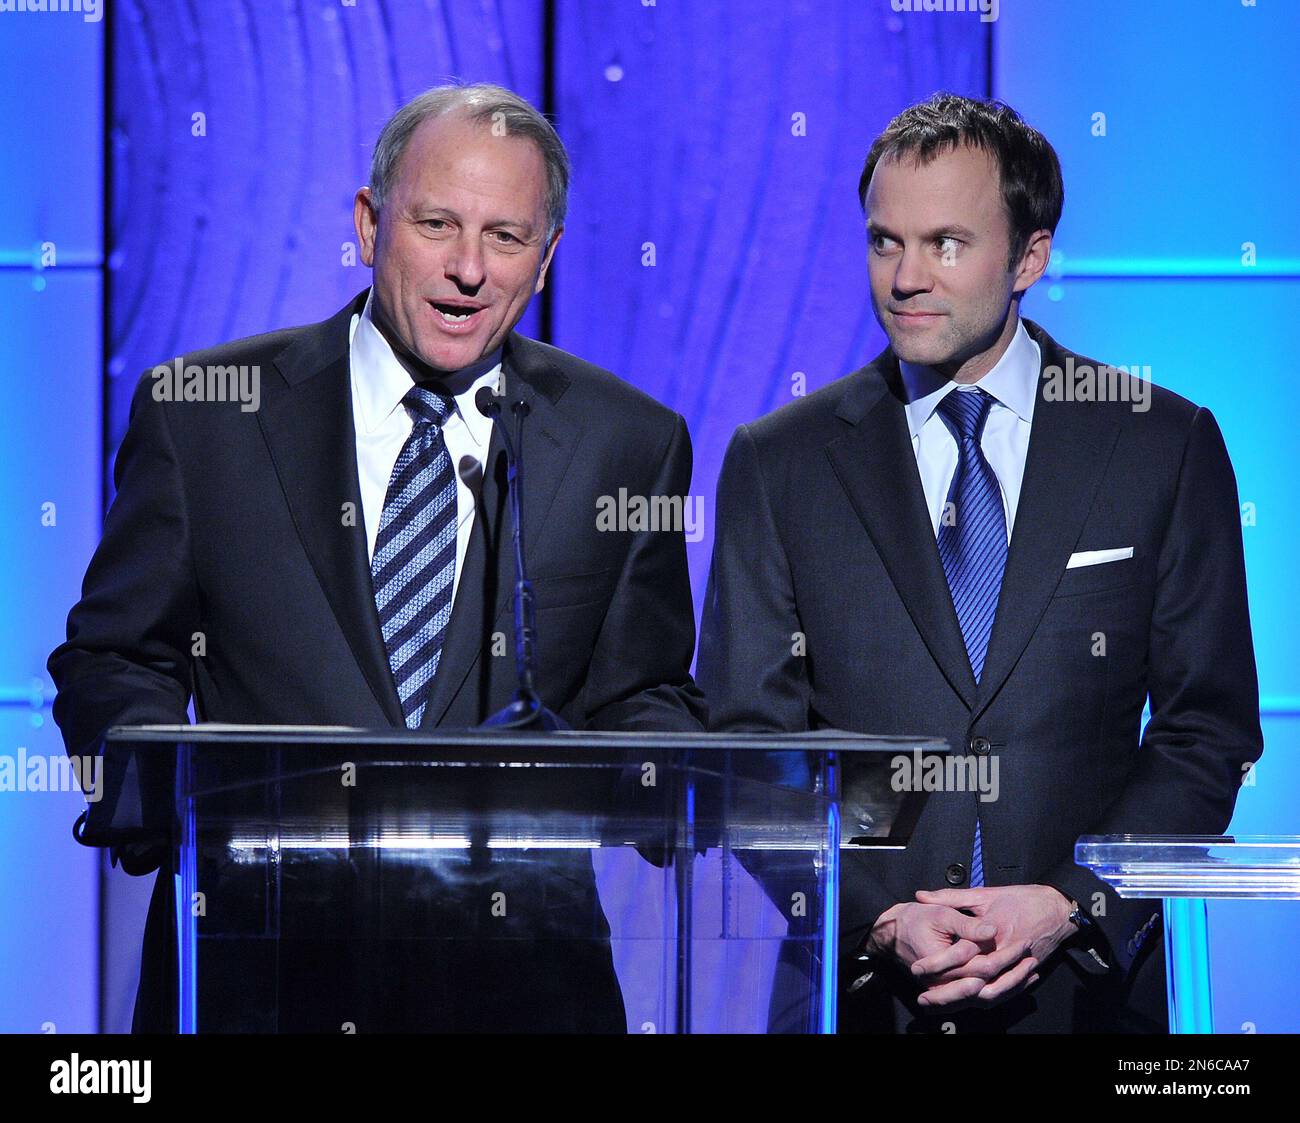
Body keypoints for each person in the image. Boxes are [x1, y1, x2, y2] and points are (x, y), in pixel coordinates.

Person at [49, 83, 704, 1033]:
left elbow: (643, 690)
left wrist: (670, 777)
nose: (469, 268)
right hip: (257, 974)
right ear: (367, 223)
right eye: (436, 223)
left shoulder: (627, 441)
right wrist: (168, 793)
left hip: (519, 989)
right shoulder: (206, 413)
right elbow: (112, 658)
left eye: (508, 238)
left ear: (548, 258)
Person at [697, 93, 1262, 1033]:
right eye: (885, 242)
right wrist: (880, 912)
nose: (907, 276)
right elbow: (753, 740)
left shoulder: (1160, 444)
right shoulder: (780, 460)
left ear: (1030, 257)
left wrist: (1073, 899)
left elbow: (1206, 729)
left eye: (947, 243)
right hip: (863, 1000)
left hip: (1088, 1000)